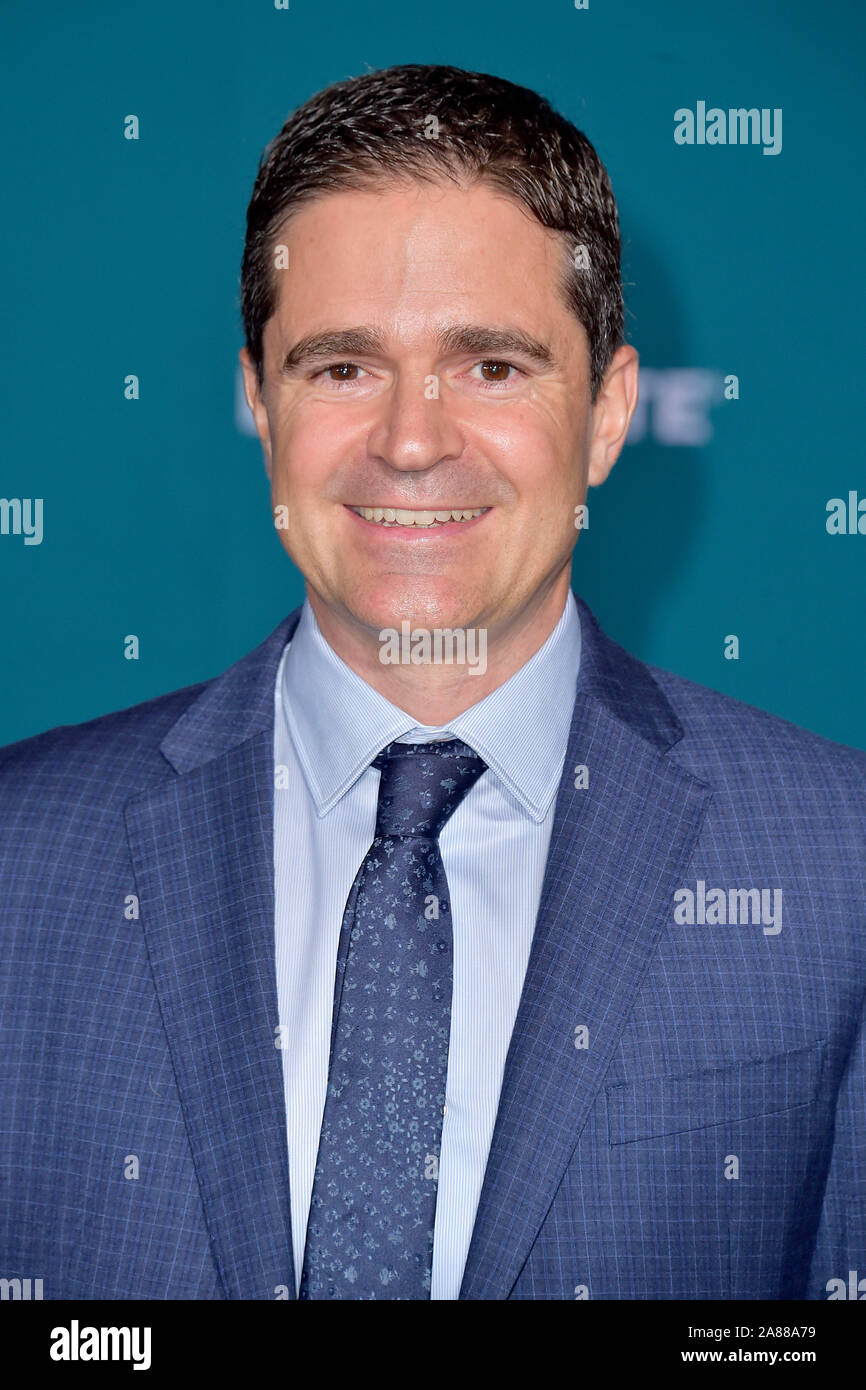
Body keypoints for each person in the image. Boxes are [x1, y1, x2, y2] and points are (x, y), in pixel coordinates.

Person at [0, 64, 863, 1301]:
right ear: (258, 399)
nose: (411, 439)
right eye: (342, 367)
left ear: (609, 414)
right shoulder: (19, 862)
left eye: (491, 368)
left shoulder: (838, 870)